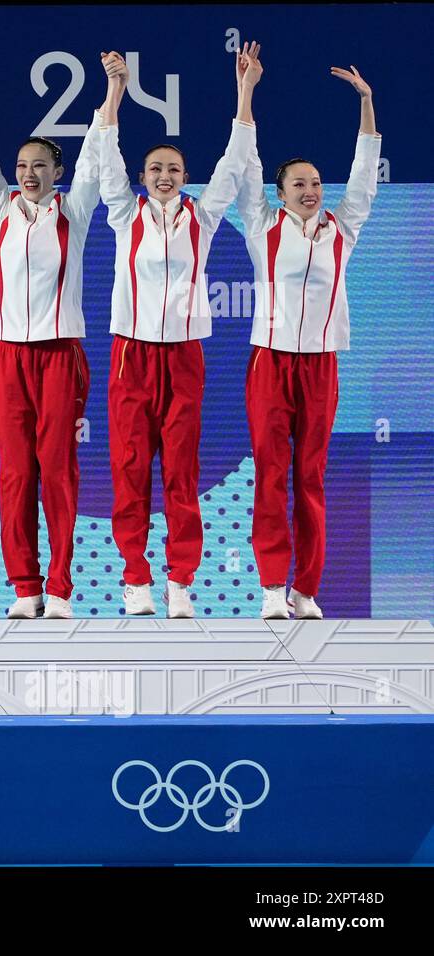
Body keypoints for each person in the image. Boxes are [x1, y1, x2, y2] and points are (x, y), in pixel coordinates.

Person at [96, 45, 262, 618]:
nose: (164, 177)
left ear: (186, 178)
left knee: (181, 472)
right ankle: (135, 577)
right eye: (155, 170)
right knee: (130, 469)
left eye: (173, 170)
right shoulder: (124, 215)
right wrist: (115, 92)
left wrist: (245, 91)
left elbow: (235, 162)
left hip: (185, 357)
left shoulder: (203, 217)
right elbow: (105, 154)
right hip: (131, 355)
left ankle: (180, 580)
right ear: (142, 178)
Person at [0, 41, 102, 620]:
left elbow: (97, 154)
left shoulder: (74, 212)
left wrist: (112, 94)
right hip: (8, 356)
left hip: (61, 356)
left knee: (57, 472)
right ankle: (24, 587)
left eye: (39, 166)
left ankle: (59, 587)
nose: (28, 174)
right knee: (15, 474)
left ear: (57, 173)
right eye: (22, 167)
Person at [235, 58, 380, 620]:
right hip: (270, 364)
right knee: (271, 475)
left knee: (310, 477)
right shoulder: (261, 227)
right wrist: (246, 91)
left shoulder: (343, 230)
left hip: (320, 367)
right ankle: (273, 585)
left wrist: (366, 102)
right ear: (279, 193)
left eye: (317, 183)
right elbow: (246, 161)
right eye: (299, 183)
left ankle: (306, 589)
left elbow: (364, 176)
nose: (312, 190)